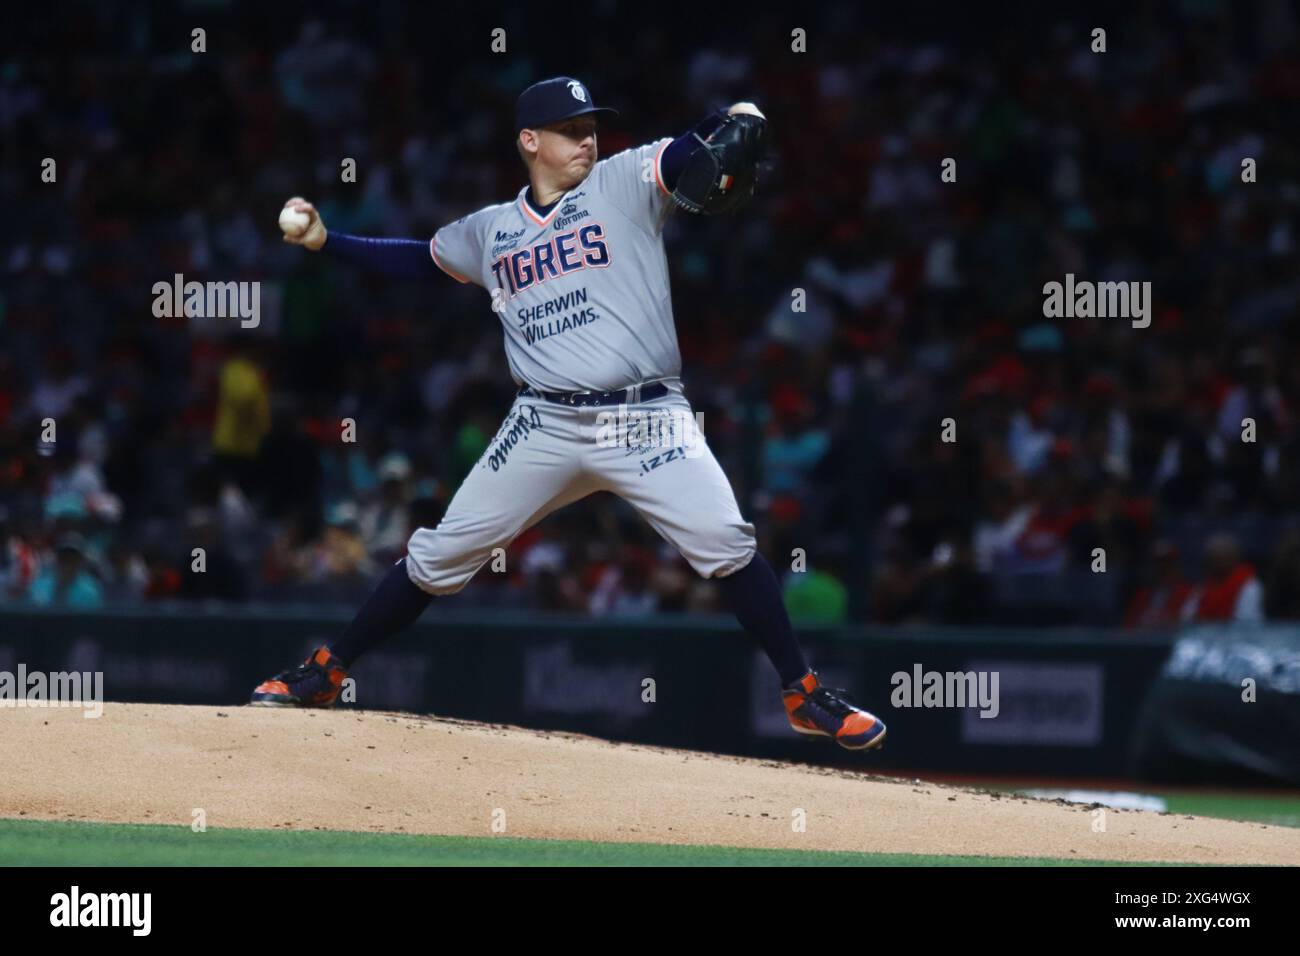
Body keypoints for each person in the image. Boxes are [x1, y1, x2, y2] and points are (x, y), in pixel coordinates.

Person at [249, 77, 886, 752]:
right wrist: (327, 241)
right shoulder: (490, 231)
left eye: (591, 127)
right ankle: (328, 672)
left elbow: (696, 153)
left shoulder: (624, 181)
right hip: (544, 424)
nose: (587, 139)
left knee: (727, 542)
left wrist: (732, 119)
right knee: (438, 556)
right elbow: (418, 262)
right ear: (531, 141)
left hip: (645, 417)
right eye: (570, 129)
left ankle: (801, 692)